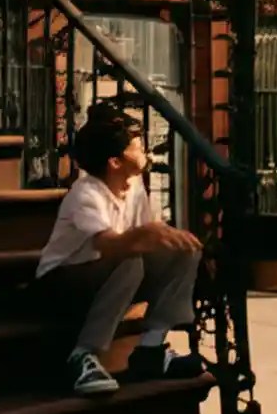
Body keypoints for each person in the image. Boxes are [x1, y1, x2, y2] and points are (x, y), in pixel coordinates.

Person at [36, 102, 207, 396]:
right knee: (131, 260)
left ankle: (151, 349)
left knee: (182, 251)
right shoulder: (86, 193)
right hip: (62, 283)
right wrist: (148, 232)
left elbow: (146, 240)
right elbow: (109, 246)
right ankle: (83, 356)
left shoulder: (134, 186)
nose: (144, 150)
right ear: (115, 162)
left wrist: (168, 239)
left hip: (112, 279)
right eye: (137, 147)